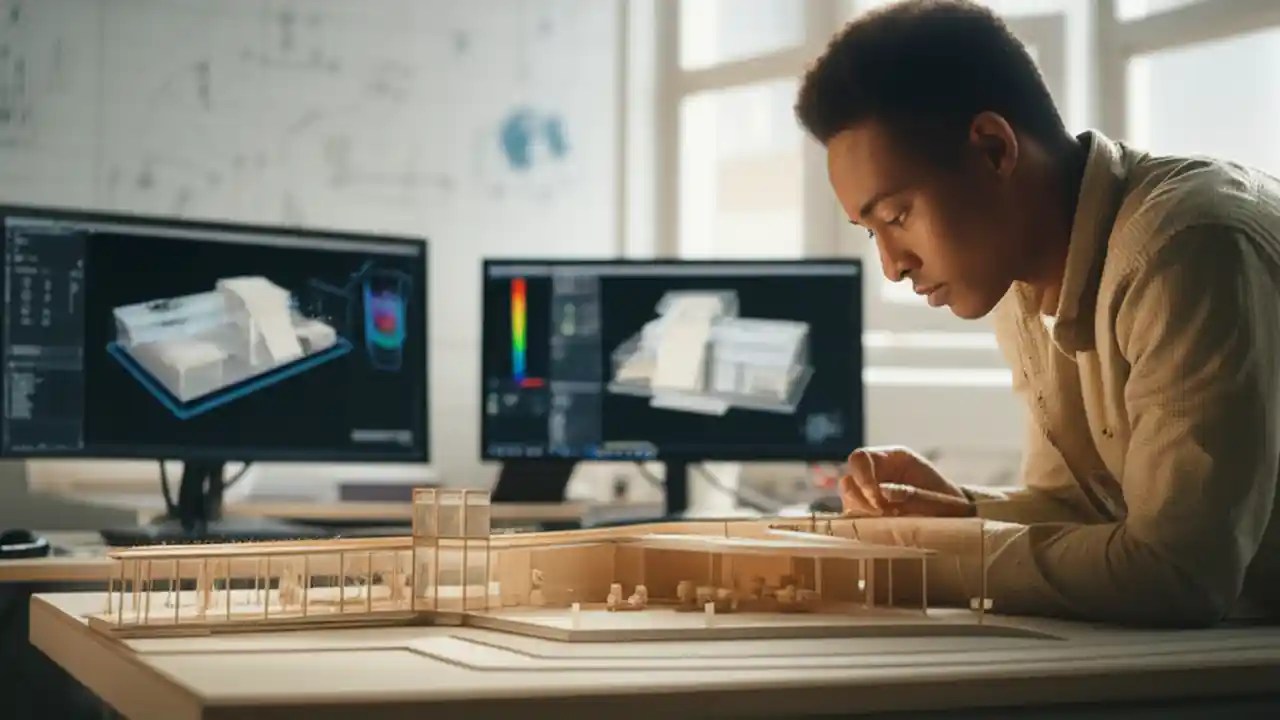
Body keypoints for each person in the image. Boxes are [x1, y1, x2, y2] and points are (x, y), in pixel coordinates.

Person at [795, 0, 1279, 626]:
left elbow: (1177, 572)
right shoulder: (1019, 275)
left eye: (896, 216)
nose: (892, 265)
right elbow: (1087, 509)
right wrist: (962, 514)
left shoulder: (1187, 247)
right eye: (871, 232)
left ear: (994, 149)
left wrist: (911, 556)